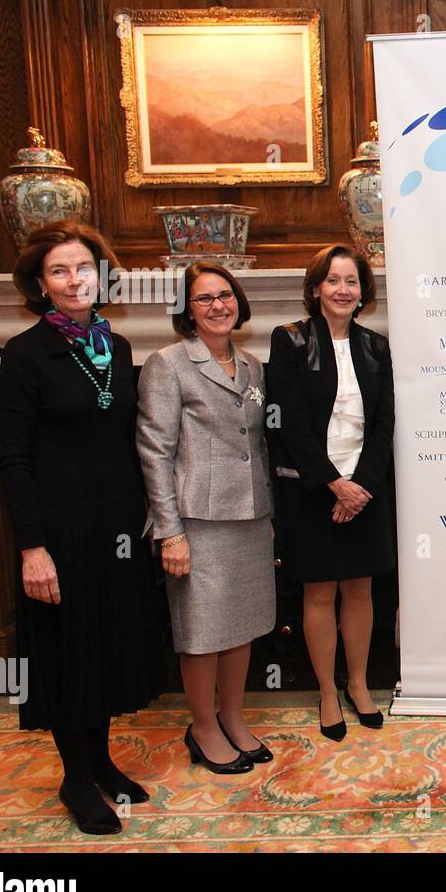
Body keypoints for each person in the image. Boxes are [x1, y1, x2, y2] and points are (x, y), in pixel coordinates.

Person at [0, 221, 165, 835]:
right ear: (40, 284)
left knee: (106, 645)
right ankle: (73, 777)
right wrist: (31, 547)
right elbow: (11, 457)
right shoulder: (24, 352)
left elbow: (125, 437)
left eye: (84, 268)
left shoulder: (113, 346)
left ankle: (100, 760)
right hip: (58, 531)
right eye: (60, 271)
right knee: (68, 651)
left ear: (102, 275)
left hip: (115, 524)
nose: (74, 280)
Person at [136, 262, 275, 774]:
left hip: (251, 515)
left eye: (225, 295)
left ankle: (234, 717)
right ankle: (202, 727)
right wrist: (169, 532)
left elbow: (256, 443)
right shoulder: (167, 363)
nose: (218, 305)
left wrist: (270, 511)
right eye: (203, 298)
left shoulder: (254, 367)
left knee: (243, 625)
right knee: (202, 630)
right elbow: (154, 450)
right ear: (186, 310)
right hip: (196, 521)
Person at [266, 244, 394, 741]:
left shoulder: (376, 346)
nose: (343, 290)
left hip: (365, 488)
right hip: (311, 488)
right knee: (319, 590)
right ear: (315, 288)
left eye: (353, 281)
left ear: (364, 292)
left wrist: (360, 485)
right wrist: (334, 485)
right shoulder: (291, 341)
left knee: (360, 586)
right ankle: (325, 691)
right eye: (334, 280)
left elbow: (384, 422)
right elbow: (289, 424)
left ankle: (359, 684)